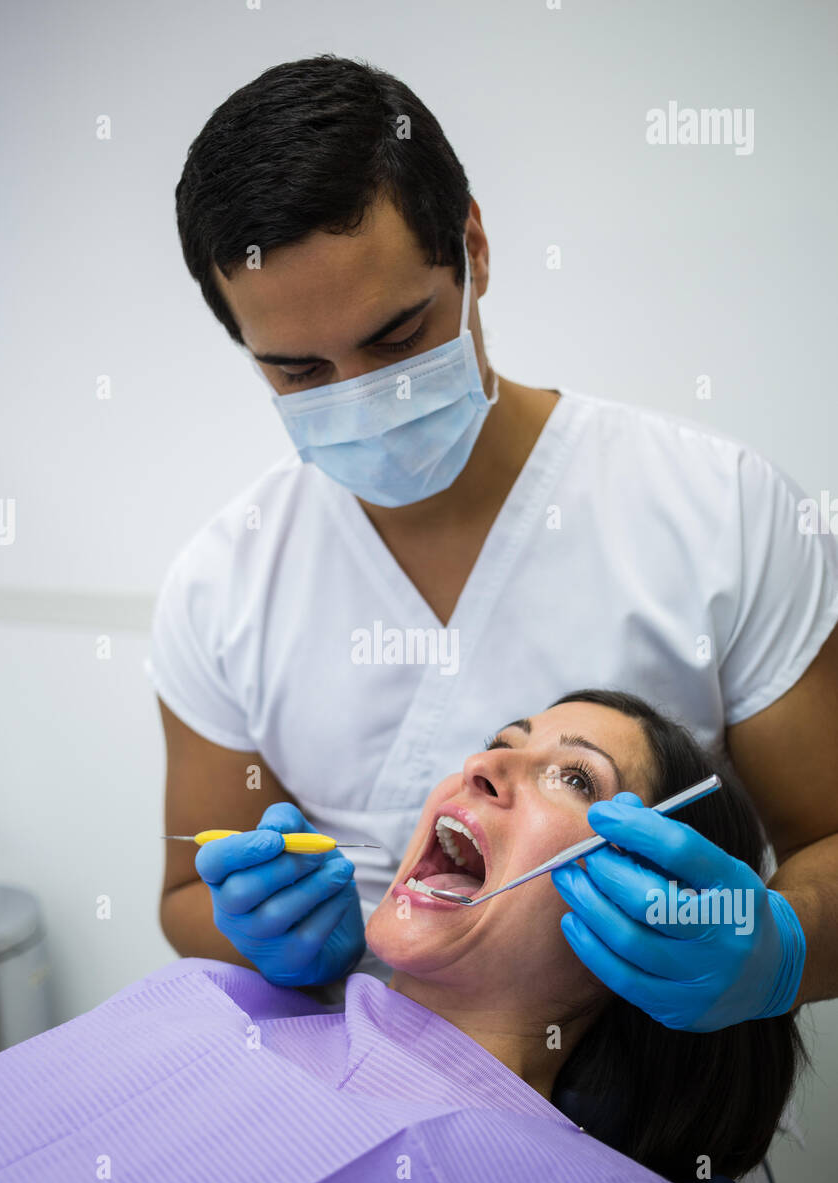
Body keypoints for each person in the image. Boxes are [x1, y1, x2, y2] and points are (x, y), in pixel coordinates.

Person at [150, 54, 838, 1041]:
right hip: (367, 1115)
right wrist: (260, 924)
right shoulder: (222, 585)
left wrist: (774, 943)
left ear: (470, 245)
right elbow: (185, 890)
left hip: (641, 1139)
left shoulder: (717, 511)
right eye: (299, 370)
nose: (360, 394)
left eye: (397, 335)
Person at [0, 693, 821, 1183]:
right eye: (502, 741)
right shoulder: (210, 992)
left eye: (574, 779)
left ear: (647, 918)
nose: (484, 766)